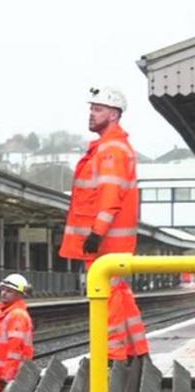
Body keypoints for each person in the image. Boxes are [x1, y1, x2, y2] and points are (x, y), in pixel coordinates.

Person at [58, 86, 149, 361]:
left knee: (107, 295)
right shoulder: (109, 148)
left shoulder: (111, 150)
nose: (91, 113)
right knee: (119, 292)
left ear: (113, 114)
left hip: (107, 241)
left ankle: (113, 354)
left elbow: (110, 194)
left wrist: (96, 233)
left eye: (97, 109)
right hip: (111, 241)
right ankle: (137, 350)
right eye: (91, 109)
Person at [0, 274, 35, 392]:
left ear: (20, 294)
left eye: (9, 291)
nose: (4, 293)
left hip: (9, 377)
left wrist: (7, 376)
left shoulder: (17, 315)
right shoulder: (5, 314)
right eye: (3, 289)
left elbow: (15, 350)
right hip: (2, 376)